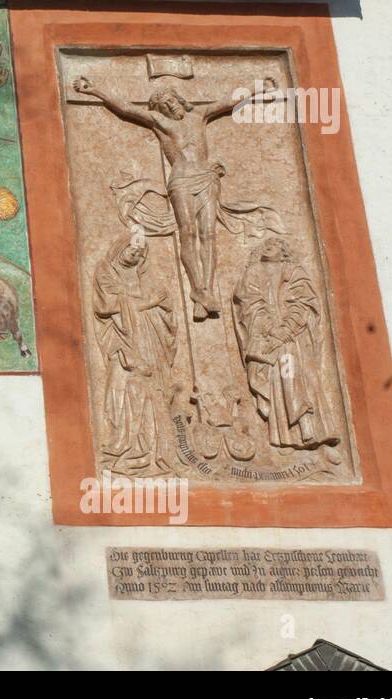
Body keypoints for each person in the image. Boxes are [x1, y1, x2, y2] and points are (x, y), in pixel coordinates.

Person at [73, 74, 279, 321]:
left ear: (180, 99)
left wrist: (258, 87)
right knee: (188, 232)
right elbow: (126, 108)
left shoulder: (199, 116)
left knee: (209, 234)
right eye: (163, 105)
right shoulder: (160, 122)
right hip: (180, 180)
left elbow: (229, 101)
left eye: (171, 101)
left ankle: (207, 290)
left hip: (206, 178)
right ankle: (197, 289)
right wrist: (95, 90)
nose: (169, 106)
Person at [232, 237, 342, 462]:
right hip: (267, 337)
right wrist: (269, 329)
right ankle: (287, 434)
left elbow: (306, 302)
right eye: (265, 244)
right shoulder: (253, 272)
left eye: (275, 244)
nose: (268, 245)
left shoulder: (293, 270)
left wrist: (288, 327)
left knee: (295, 376)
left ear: (284, 252)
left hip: (293, 338)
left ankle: (308, 426)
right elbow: (249, 303)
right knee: (278, 381)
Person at [91, 233, 177, 473]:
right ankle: (124, 446)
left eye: (140, 253)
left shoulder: (144, 276)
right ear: (121, 247)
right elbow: (108, 306)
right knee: (124, 389)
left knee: (154, 391)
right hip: (121, 343)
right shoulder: (106, 271)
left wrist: (158, 304)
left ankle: (154, 452)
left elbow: (164, 301)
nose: (136, 254)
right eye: (132, 249)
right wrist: (149, 303)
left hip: (149, 342)